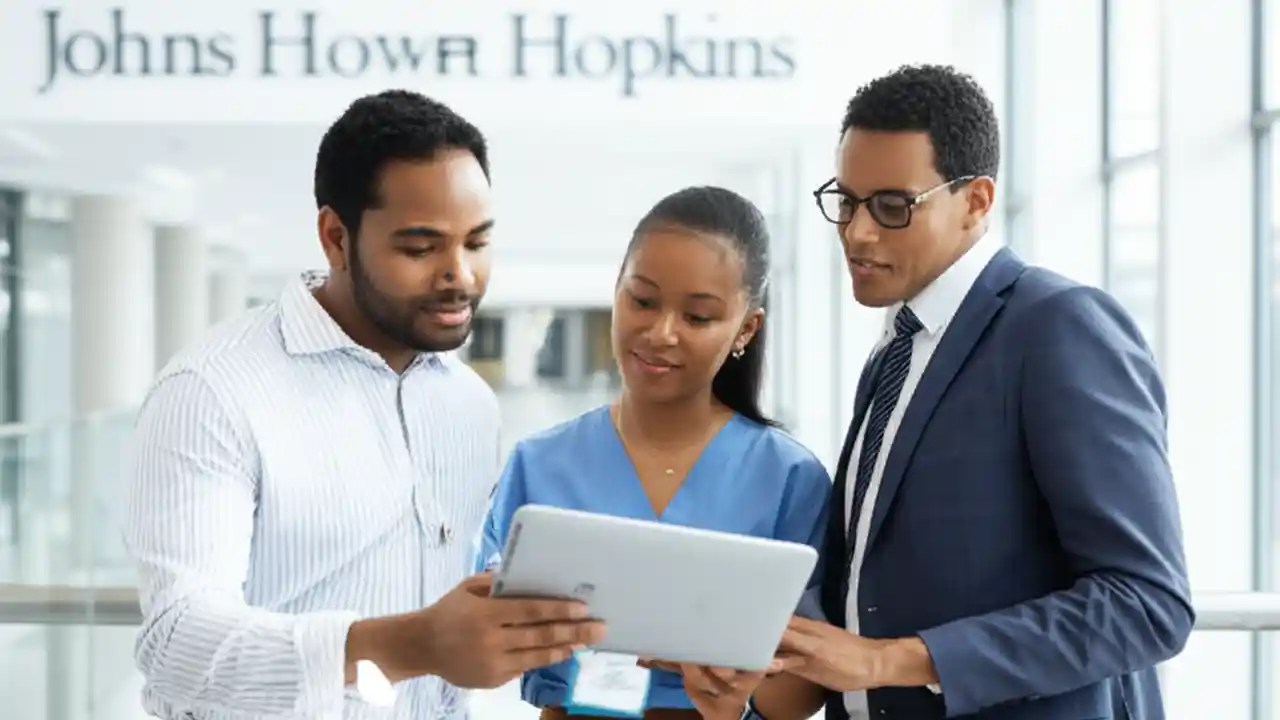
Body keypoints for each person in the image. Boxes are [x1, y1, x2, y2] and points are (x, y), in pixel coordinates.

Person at [123, 90, 604, 720]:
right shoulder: (213, 390)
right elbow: (175, 645)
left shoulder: (468, 403)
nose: (459, 274)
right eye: (421, 247)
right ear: (335, 237)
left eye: (477, 242)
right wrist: (411, 644)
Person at [735, 64, 1195, 720]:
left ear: (976, 201)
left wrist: (891, 660)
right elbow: (873, 589)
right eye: (847, 201)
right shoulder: (898, 347)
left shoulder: (1057, 327)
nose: (858, 233)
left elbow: (1146, 604)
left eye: (892, 207)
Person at [478, 186, 833, 720]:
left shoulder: (788, 478)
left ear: (746, 329)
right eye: (642, 301)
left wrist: (738, 688)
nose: (660, 333)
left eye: (697, 317)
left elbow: (804, 692)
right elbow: (481, 648)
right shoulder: (538, 463)